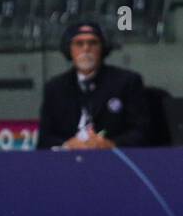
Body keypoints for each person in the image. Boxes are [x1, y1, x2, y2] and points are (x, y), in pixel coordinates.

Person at [37, 21, 150, 150]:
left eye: (93, 43)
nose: (86, 48)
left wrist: (110, 144)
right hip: (68, 163)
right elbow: (44, 139)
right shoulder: (55, 88)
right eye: (79, 43)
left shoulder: (127, 82)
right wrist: (67, 145)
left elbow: (141, 132)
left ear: (103, 48)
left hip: (114, 161)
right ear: (69, 49)